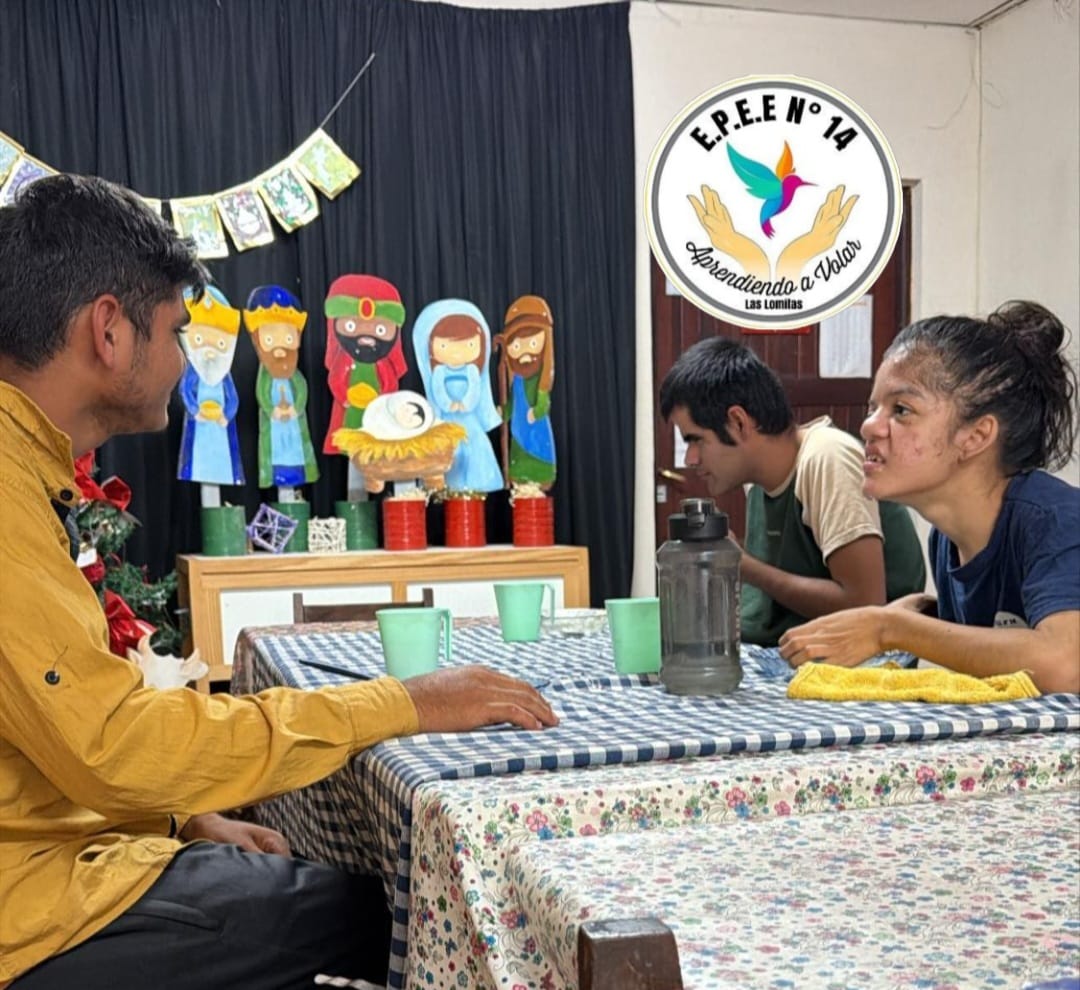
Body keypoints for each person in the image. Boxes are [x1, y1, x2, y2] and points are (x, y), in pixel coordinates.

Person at [0, 174, 557, 989]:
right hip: (35, 908)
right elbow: (111, 744)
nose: (187, 364)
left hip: (71, 847)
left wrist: (183, 816)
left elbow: (60, 728)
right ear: (109, 332)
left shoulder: (30, 467)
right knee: (416, 915)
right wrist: (406, 701)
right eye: (176, 332)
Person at [779, 302, 1080, 695]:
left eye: (901, 410)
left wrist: (891, 628)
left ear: (975, 436)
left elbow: (1064, 665)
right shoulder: (946, 539)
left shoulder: (1054, 520)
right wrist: (925, 612)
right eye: (874, 407)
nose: (869, 425)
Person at [659, 338, 926, 646]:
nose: (690, 459)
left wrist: (741, 565)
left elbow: (864, 605)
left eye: (695, 440)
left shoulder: (826, 456)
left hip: (862, 670)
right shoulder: (760, 480)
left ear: (738, 422)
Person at [413, 298, 504, 492]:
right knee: (449, 456)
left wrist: (466, 403)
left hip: (469, 420)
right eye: (445, 347)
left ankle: (476, 484)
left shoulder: (472, 371)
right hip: (447, 421)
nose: (456, 353)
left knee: (475, 452)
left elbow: (475, 390)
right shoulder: (438, 373)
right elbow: (438, 392)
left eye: (468, 345)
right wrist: (448, 404)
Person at [242, 284, 320, 488]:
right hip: (275, 424)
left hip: (293, 423)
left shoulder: (294, 374)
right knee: (276, 453)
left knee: (296, 451)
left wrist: (297, 407)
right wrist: (271, 409)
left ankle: (296, 481)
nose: (279, 347)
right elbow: (262, 393)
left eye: (288, 338)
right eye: (270, 338)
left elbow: (301, 388)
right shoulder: (265, 374)